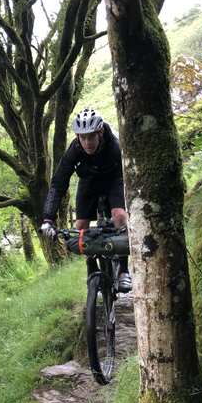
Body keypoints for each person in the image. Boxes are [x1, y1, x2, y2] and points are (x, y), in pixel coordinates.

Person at [40, 107, 132, 293]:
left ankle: (123, 270)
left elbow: (129, 173)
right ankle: (91, 264)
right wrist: (48, 219)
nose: (87, 142)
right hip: (88, 183)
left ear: (100, 132)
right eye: (82, 137)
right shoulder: (74, 150)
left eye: (91, 136)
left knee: (120, 217)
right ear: (77, 136)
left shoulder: (114, 146)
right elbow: (58, 184)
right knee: (81, 224)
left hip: (113, 181)